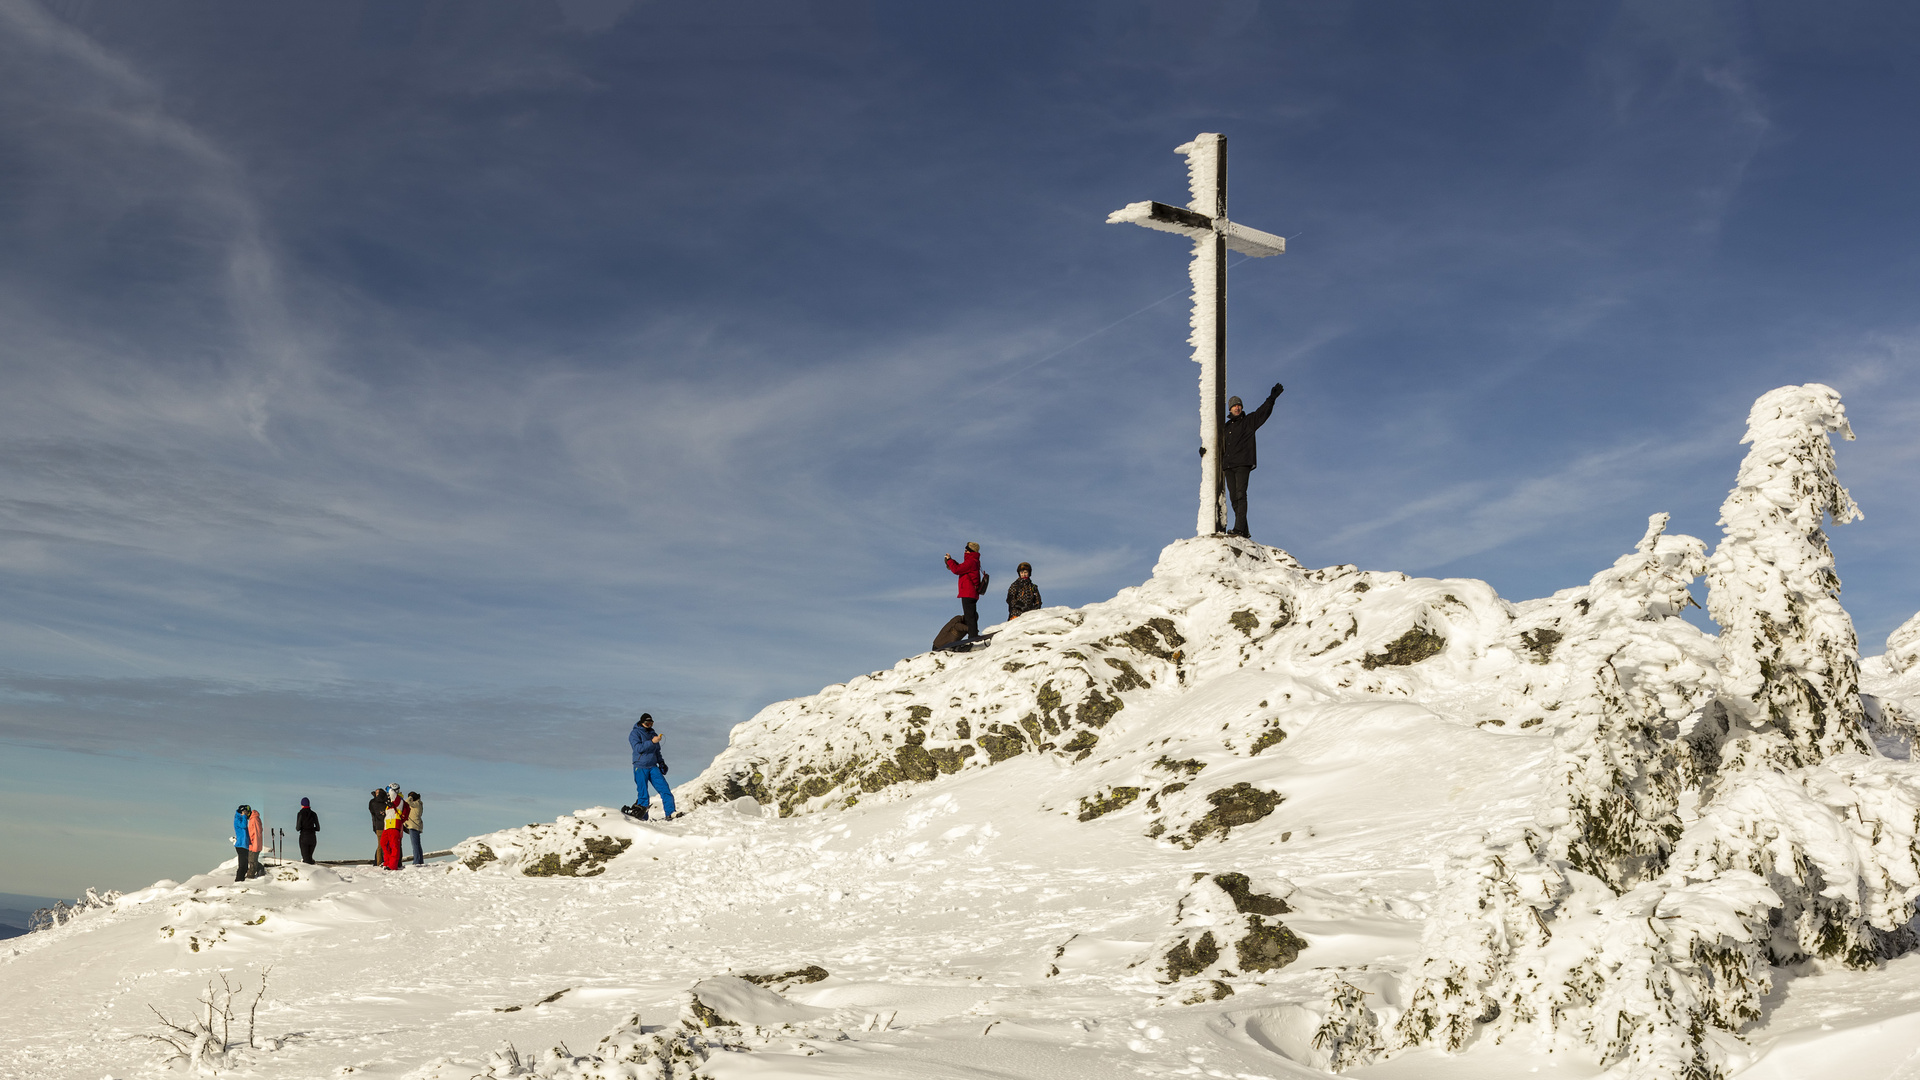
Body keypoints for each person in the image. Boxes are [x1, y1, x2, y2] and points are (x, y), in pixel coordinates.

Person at [1222, 382, 1284, 539]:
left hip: (1242, 463)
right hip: (1228, 465)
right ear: (1229, 409)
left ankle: (1238, 529)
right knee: (1234, 498)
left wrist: (1272, 398)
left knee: (1241, 495)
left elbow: (1262, 412)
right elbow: (1214, 441)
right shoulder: (1226, 427)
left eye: (1239, 405)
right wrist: (1204, 450)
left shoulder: (1248, 422)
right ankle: (1244, 530)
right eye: (1234, 406)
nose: (1237, 408)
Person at [629, 714, 677, 820]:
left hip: (653, 766)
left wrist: (661, 763)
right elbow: (638, 748)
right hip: (640, 767)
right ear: (642, 722)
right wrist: (651, 742)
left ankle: (671, 813)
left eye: (651, 723)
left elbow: (657, 751)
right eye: (647, 723)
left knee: (665, 789)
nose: (649, 725)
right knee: (643, 794)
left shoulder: (653, 734)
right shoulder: (635, 733)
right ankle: (643, 818)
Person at [944, 541, 983, 640]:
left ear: (970, 551)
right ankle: (973, 633)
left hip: (968, 592)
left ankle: (973, 635)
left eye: (966, 550)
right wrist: (951, 561)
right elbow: (960, 568)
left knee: (969, 615)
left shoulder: (970, 562)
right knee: (971, 614)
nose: (965, 552)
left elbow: (957, 570)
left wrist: (949, 561)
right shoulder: (973, 561)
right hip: (971, 593)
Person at [378, 783, 408, 870]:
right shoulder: (390, 802)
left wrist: (388, 788)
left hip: (395, 825)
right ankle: (387, 862)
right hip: (387, 826)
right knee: (383, 843)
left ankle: (393, 865)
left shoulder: (399, 800)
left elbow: (392, 793)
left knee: (394, 846)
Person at [296, 798, 320, 865]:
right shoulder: (314, 814)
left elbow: (297, 828)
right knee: (309, 858)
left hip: (304, 837)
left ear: (302, 805)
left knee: (306, 860)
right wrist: (312, 829)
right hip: (313, 838)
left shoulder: (300, 813)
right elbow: (318, 828)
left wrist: (303, 828)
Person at [233, 804, 254, 882]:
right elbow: (243, 825)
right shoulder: (238, 819)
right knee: (242, 866)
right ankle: (238, 880)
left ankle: (241, 880)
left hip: (244, 845)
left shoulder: (240, 818)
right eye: (246, 812)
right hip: (241, 845)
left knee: (245, 866)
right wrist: (244, 816)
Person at [405, 791, 425, 866]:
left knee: (415, 845)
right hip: (416, 825)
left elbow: (406, 802)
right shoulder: (418, 804)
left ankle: (416, 861)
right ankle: (420, 860)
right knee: (418, 845)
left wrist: (410, 797)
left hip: (413, 826)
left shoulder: (416, 804)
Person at [247, 806, 265, 877]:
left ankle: (250, 877)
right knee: (250, 860)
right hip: (252, 844)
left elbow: (257, 833)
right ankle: (260, 869)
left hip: (254, 844)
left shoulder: (254, 819)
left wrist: (255, 846)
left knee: (252, 861)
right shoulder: (252, 819)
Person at [368, 788, 386, 862]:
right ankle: (381, 861)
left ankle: (378, 862)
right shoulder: (385, 801)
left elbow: (373, 812)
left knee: (380, 845)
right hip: (384, 825)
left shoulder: (373, 802)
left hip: (378, 825)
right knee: (382, 845)